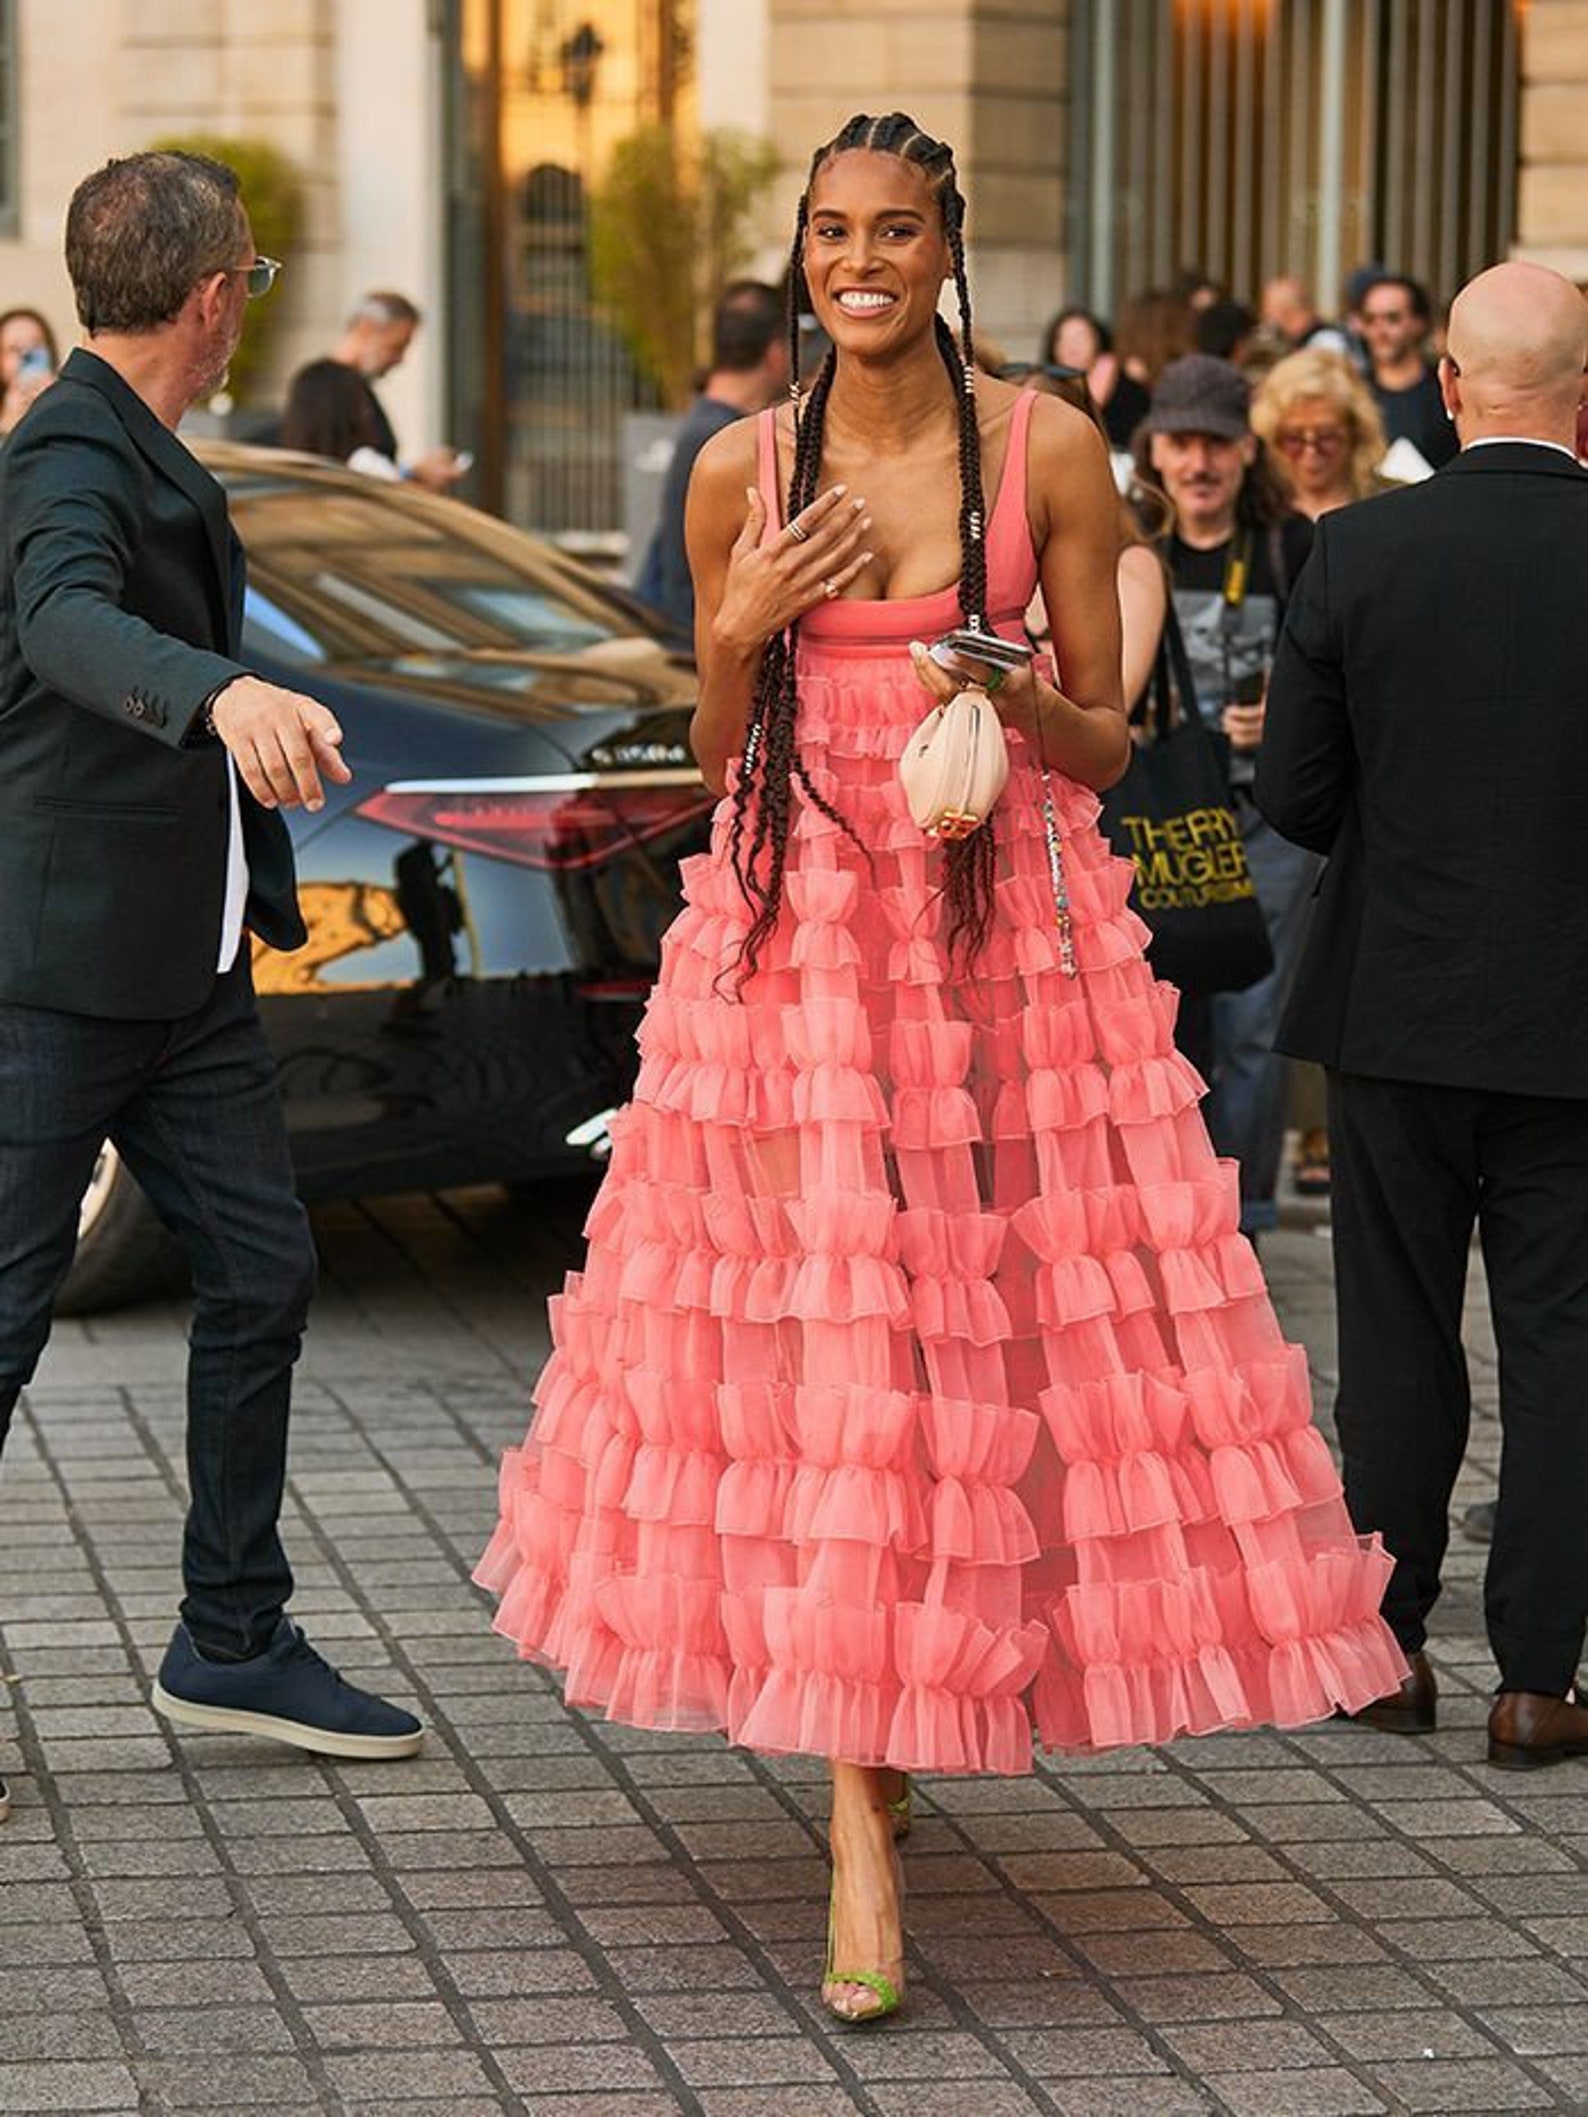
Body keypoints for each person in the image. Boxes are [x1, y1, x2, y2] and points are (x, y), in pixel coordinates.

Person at [474, 110, 1404, 2026]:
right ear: (804, 254)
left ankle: (908, 1714)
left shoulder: (1044, 445)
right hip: (803, 950)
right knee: (833, 1344)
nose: (859, 259)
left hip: (1005, 951)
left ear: (946, 243)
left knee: (974, 1345)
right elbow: (720, 740)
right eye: (831, 231)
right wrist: (732, 625)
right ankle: (858, 1820)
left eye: (894, 229)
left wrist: (1004, 692)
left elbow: (1101, 749)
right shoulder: (742, 464)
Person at [0, 151, 424, 1832]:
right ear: (207, 297)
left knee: (264, 1265)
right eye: (248, 277)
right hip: (53, 976)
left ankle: (229, 1635)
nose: (251, 302)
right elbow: (60, 622)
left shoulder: (146, 441)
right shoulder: (61, 455)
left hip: (185, 973)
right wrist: (214, 693)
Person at [1259, 262, 1588, 1769]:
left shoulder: (1357, 552)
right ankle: (1540, 1676)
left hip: (1392, 1000)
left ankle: (1388, 1646)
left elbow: (1299, 799)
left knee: (1393, 1330)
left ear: (1445, 389)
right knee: (1565, 1341)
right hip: (1576, 1018)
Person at [1136, 355, 1315, 1236]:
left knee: (1253, 1021)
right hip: (1160, 817)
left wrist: (1283, 718)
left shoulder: (1291, 547)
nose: (1198, 464)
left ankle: (1242, 1217)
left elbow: (1338, 681)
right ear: (1154, 451)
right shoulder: (1131, 549)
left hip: (1265, 821)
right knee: (1163, 1015)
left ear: (1248, 451)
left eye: (1215, 443)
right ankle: (1172, 1212)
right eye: (1181, 442)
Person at [633, 281, 790, 642]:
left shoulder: (708, 425)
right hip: (695, 647)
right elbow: (688, 579)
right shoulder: (721, 441)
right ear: (776, 354)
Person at [279, 290, 464, 491]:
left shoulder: (342, 384)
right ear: (365, 329)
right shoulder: (323, 384)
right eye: (395, 347)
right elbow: (345, 467)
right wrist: (412, 477)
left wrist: (414, 473)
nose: (400, 359)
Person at [1358, 273, 1458, 471]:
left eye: (1392, 319)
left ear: (1419, 323)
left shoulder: (1447, 388)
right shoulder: (1353, 391)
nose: (1380, 331)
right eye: (1370, 320)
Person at [1038, 306, 1150, 452]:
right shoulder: (1042, 389)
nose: (1071, 347)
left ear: (1098, 340)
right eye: (1062, 339)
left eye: (1079, 338)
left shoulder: (1125, 383)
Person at [0, 305, 61, 436]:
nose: (27, 354)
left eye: (35, 345)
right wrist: (7, 422)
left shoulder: (69, 394)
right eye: (15, 348)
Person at [1259, 275, 1350, 358]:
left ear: (1285, 311)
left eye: (1268, 311)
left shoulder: (1326, 342)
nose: (1266, 318)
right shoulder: (1296, 342)